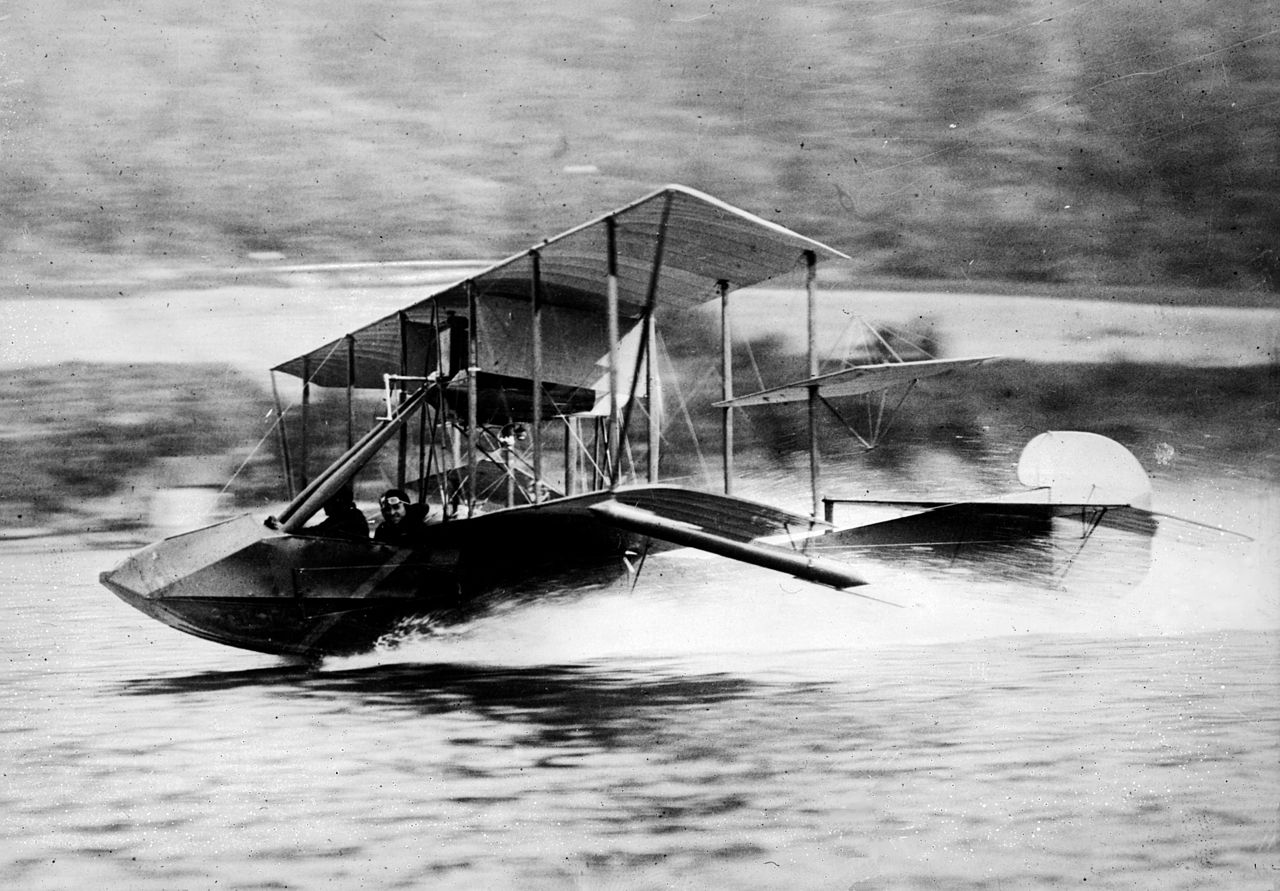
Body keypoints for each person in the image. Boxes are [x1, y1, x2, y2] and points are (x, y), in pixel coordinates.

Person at [298, 487, 369, 542]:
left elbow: (325, 533)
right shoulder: (337, 518)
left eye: (328, 501)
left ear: (339, 501)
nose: (324, 505)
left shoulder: (352, 519)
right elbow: (318, 529)